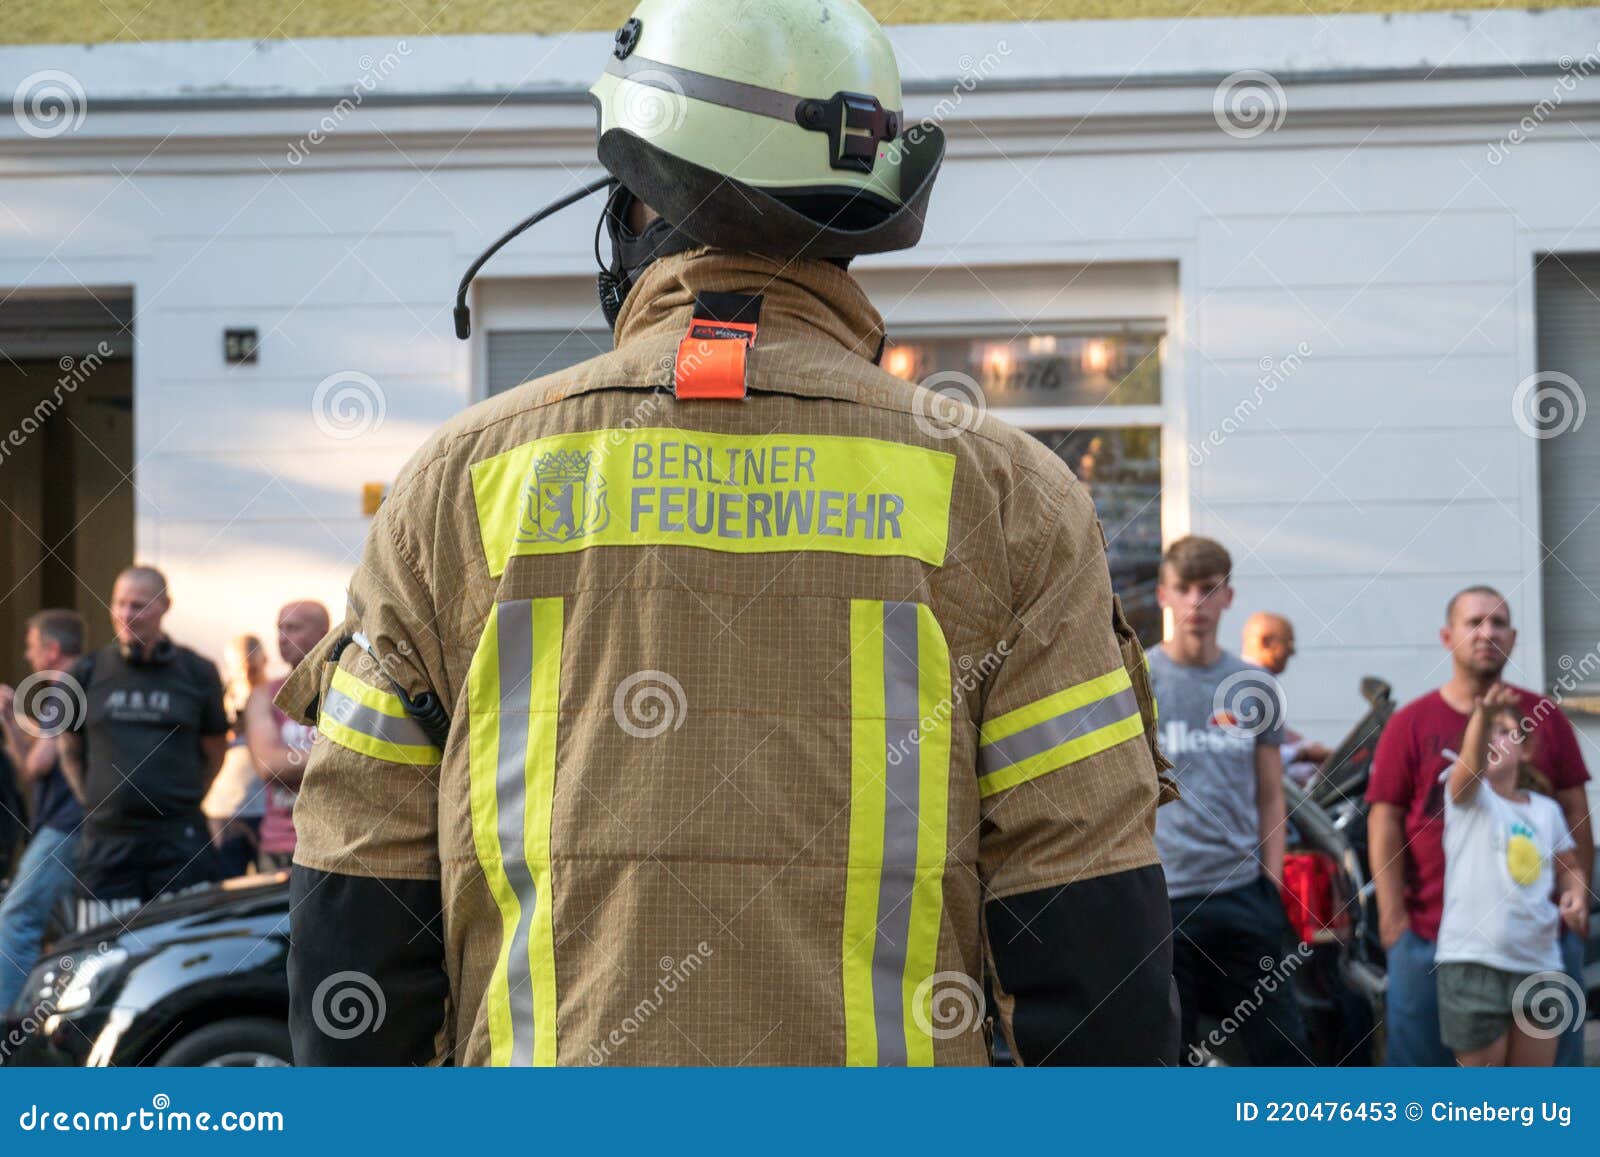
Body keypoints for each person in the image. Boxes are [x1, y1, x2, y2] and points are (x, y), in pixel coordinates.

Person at [282, 0, 1179, 1067]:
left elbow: (358, 907)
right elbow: (1091, 933)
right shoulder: (1005, 496)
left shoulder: (458, 484)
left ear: (632, 208)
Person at [1368, 586, 1592, 1066]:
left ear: (1512, 637)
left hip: (1541, 940)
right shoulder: (1411, 723)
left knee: (1548, 1091)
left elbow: (1574, 812)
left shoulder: (1542, 719)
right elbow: (1384, 819)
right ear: (1447, 636)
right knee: (1424, 1084)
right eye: (1473, 623)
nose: (1486, 633)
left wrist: (1578, 894)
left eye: (1498, 623)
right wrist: (1392, 920)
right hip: (1430, 935)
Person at [1151, 537, 1311, 1065]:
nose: (1196, 601)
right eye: (1184, 589)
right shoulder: (1141, 680)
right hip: (1166, 898)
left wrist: (1271, 882)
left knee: (1282, 1052)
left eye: (1208, 589)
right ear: (1163, 596)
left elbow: (1270, 795)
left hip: (1243, 893)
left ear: (1228, 597)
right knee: (1169, 1055)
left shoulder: (1253, 684)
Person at [60, 567, 230, 928]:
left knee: (185, 947)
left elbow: (215, 748)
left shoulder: (198, 672)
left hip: (179, 841)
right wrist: (94, 799)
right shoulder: (86, 672)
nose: (126, 614)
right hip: (107, 843)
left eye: (138, 605)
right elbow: (70, 748)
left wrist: (186, 796)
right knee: (101, 951)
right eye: (119, 604)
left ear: (164, 606)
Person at [1435, 684, 1586, 1066]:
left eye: (1505, 732)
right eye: (1486, 731)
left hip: (1539, 964)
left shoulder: (1547, 811)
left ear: (1526, 749)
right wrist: (1483, 717)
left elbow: (1569, 866)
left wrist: (1577, 893)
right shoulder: (1468, 797)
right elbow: (1467, 774)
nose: (1494, 739)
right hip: (1473, 963)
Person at [0, 610, 86, 1009]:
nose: (27, 655)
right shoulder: (76, 689)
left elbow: (37, 765)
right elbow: (31, 765)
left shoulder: (65, 689)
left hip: (66, 826)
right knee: (69, 926)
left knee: (18, 916)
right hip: (75, 824)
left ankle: (6, 1016)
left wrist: (12, 715)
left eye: (32, 646)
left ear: (52, 650)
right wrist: (12, 720)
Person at [245, 601, 327, 870]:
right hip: (279, 846)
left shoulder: (344, 691)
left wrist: (294, 761)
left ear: (323, 634)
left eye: (293, 628)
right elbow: (270, 766)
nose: (282, 638)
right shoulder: (264, 694)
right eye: (279, 629)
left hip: (328, 846)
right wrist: (333, 754)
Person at [203, 634, 269, 878]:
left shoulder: (275, 698)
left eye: (252, 669)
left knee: (268, 887)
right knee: (225, 887)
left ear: (265, 661)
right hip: (222, 808)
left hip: (265, 807)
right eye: (241, 669)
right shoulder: (217, 699)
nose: (247, 676)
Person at [1241, 612, 1330, 786]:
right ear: (1265, 641)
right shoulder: (1255, 683)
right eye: (1287, 642)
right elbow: (1249, 755)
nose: (1292, 652)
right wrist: (1303, 753)